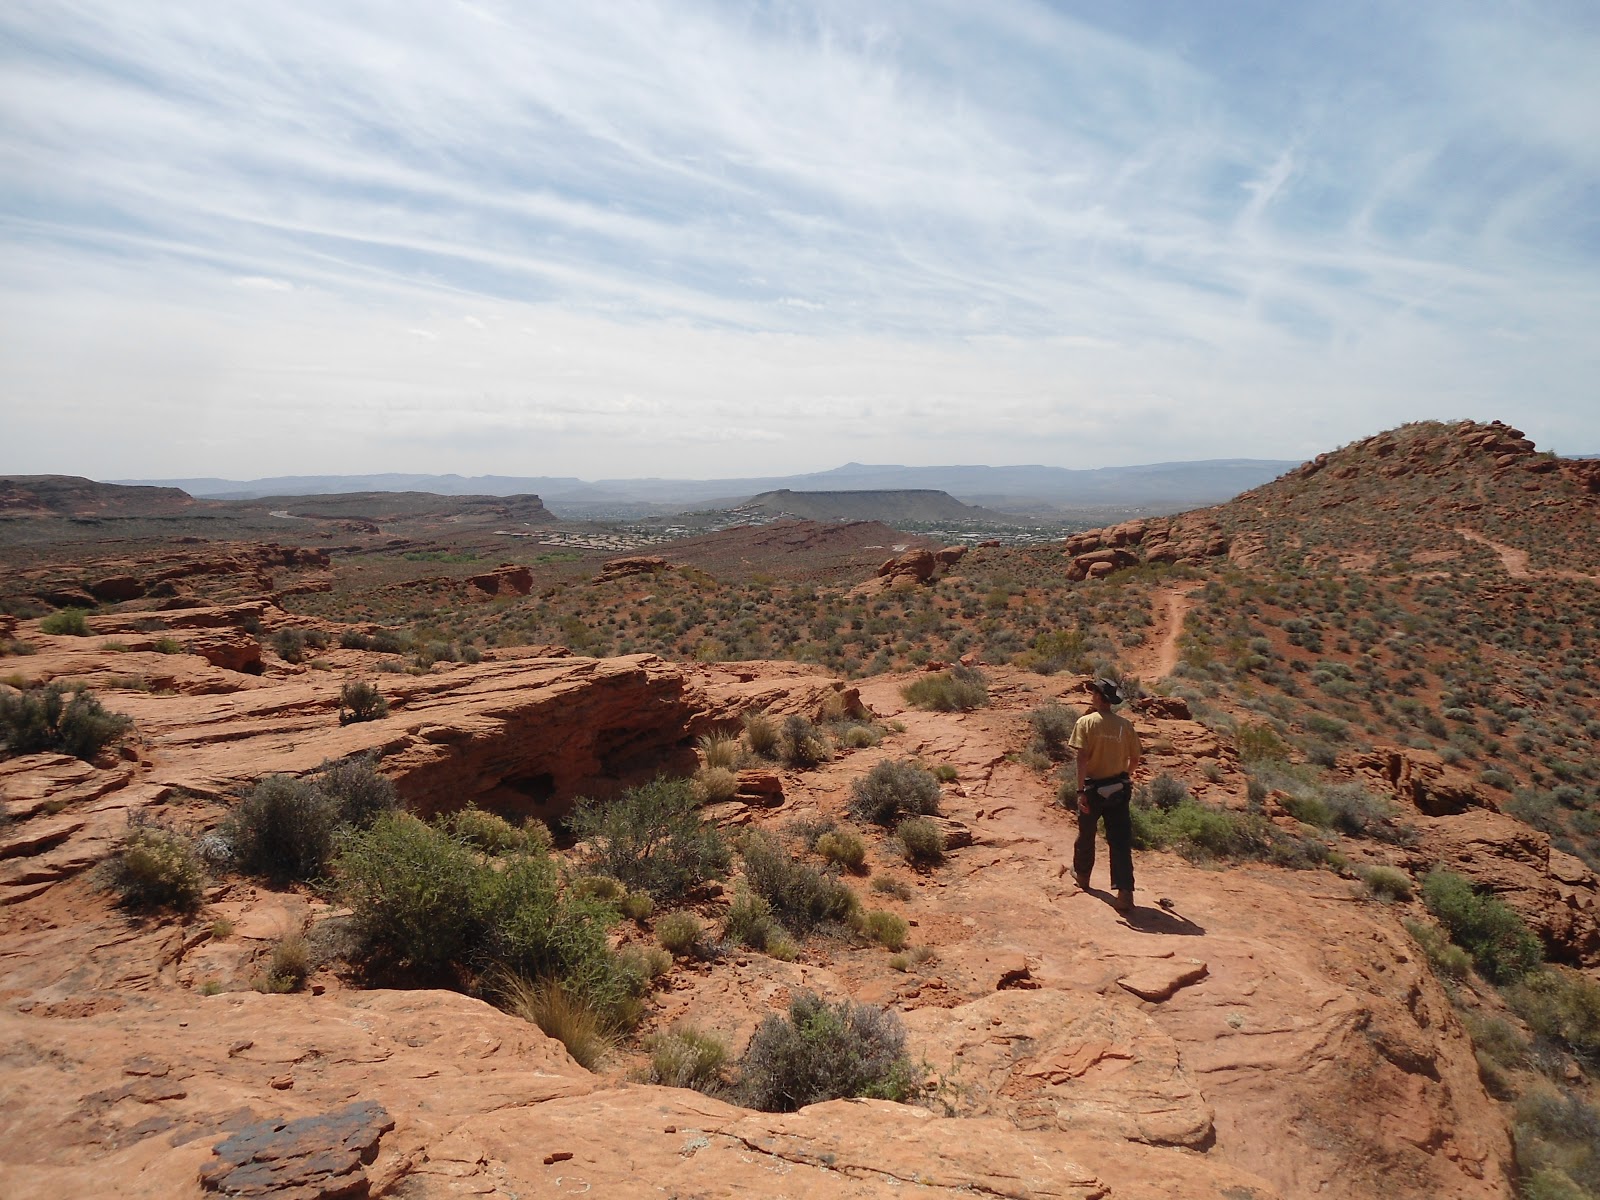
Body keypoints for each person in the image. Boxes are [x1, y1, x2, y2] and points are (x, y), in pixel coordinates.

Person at [1068, 677, 1142, 911]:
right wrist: (1124, 776)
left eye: (1094, 693)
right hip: (1119, 790)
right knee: (1119, 840)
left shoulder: (1086, 723)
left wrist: (1080, 790)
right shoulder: (1125, 725)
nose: (1091, 696)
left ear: (1099, 697)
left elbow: (1081, 758)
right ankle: (1125, 893)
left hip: (1092, 789)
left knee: (1086, 833)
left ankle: (1083, 877)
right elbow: (1136, 758)